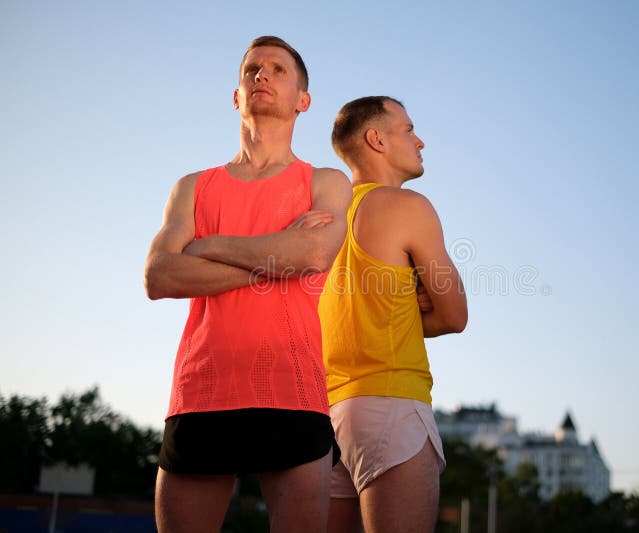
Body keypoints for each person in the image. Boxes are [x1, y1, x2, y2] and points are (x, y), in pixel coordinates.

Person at [143, 36, 351, 533]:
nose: (263, 75)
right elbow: (159, 275)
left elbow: (313, 254)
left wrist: (207, 245)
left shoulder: (325, 182)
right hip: (202, 390)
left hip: (293, 389)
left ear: (303, 100)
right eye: (253, 68)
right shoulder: (192, 187)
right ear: (236, 95)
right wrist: (278, 259)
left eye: (279, 69)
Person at [319, 96, 468, 533]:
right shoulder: (408, 207)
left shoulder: (320, 217)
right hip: (391, 404)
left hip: (326, 416)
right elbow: (454, 315)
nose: (419, 141)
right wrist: (409, 304)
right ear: (376, 139)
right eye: (408, 129)